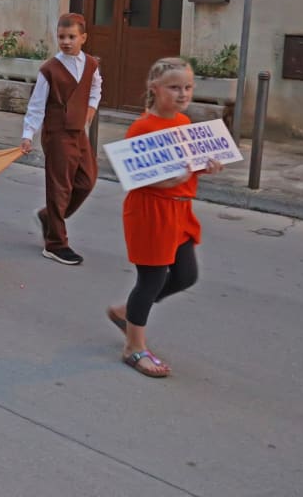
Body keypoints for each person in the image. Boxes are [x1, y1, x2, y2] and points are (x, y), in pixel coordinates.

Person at [106, 58, 224, 378]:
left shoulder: (184, 122)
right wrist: (166, 181)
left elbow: (184, 166)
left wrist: (207, 164)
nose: (182, 93)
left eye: (187, 87)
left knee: (185, 275)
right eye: (174, 87)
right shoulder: (142, 127)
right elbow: (137, 174)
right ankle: (133, 348)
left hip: (180, 210)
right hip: (151, 211)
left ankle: (126, 313)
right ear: (154, 89)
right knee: (152, 279)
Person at [20, 12, 103, 265]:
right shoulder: (50, 69)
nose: (66, 42)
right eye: (61, 37)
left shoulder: (91, 64)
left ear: (83, 38)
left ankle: (49, 217)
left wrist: (89, 111)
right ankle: (56, 243)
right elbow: (36, 105)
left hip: (79, 133)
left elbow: (96, 89)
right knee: (60, 187)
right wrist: (27, 134)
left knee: (87, 180)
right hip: (56, 134)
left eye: (71, 37)